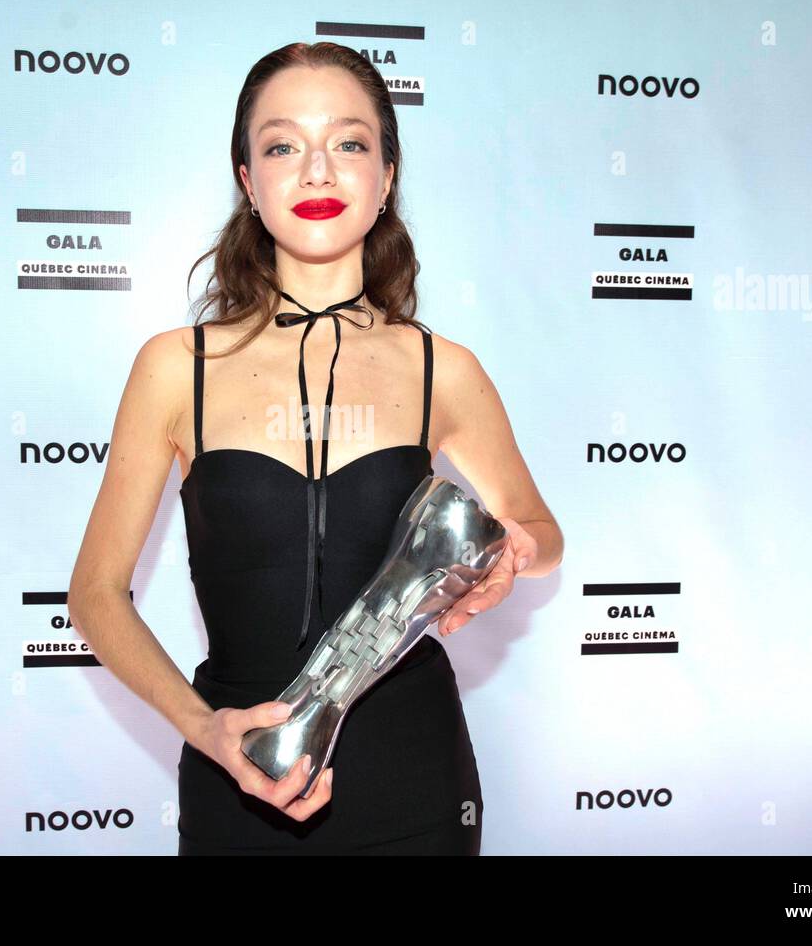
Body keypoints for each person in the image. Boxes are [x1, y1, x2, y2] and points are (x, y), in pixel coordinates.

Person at [68, 42, 563, 855]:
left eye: (350, 143)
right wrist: (207, 731)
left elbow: (541, 530)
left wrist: (516, 552)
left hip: (415, 777)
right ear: (248, 180)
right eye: (282, 146)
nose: (318, 171)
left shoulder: (443, 367)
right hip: (238, 775)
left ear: (388, 175)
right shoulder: (174, 370)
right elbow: (95, 593)